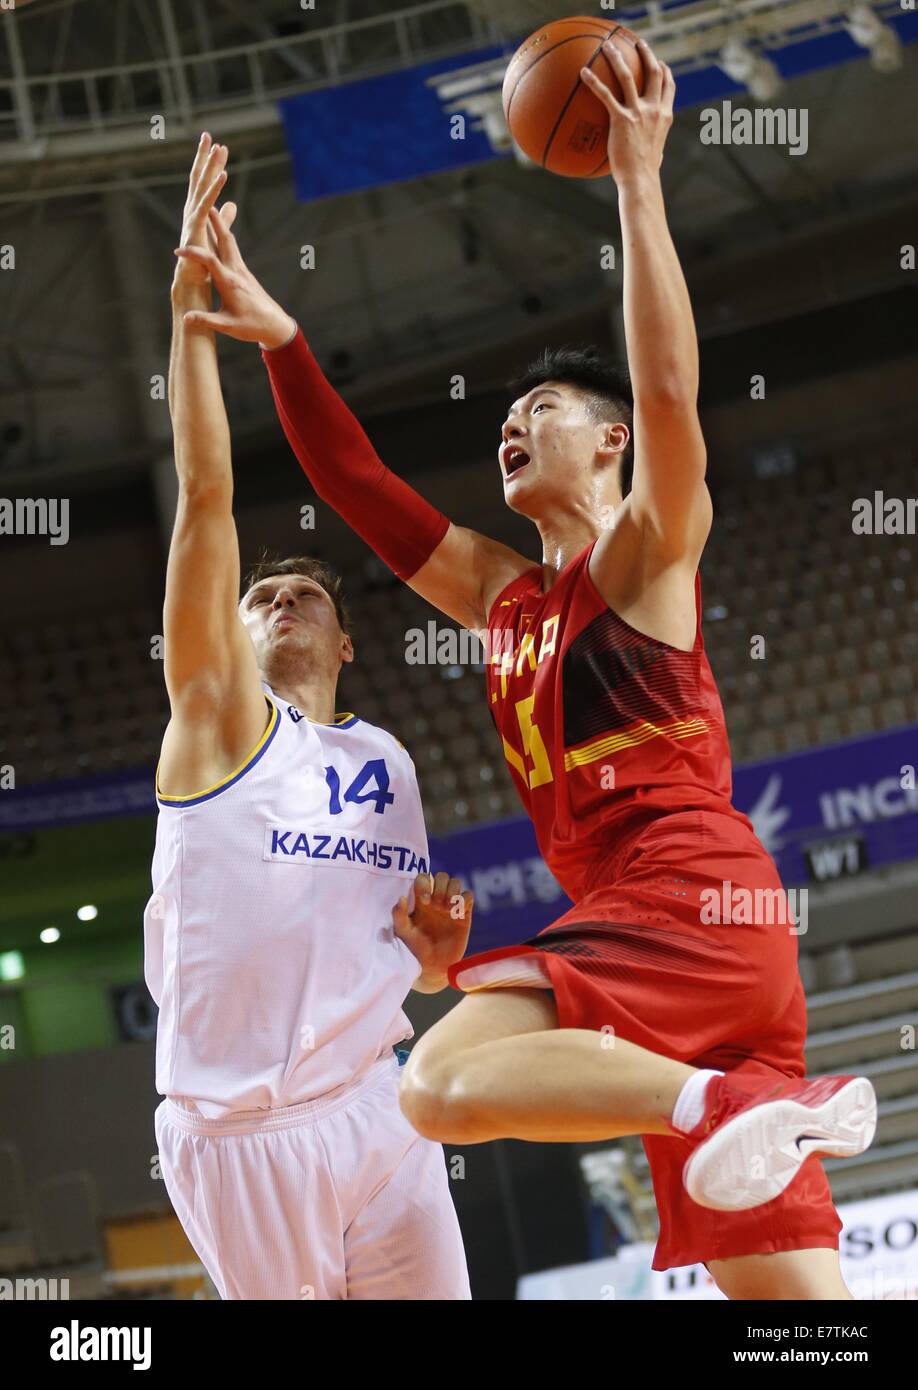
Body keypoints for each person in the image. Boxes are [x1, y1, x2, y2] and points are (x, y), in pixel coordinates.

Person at [174, 42, 875, 1301]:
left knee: (438, 1085)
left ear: (610, 444)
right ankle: (739, 1104)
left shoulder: (648, 553)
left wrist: (638, 184)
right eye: (506, 416)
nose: (513, 421)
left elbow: (667, 386)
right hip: (697, 941)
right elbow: (359, 489)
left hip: (682, 895)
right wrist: (282, 341)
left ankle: (726, 1099)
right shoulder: (504, 597)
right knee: (799, 1317)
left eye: (542, 408)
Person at [147, 133, 471, 1300]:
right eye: (261, 597)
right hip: (243, 1134)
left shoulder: (384, 758)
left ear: (346, 643)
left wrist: (433, 958)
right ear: (227, 639)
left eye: (308, 596)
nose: (281, 601)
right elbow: (206, 497)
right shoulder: (218, 725)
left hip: (380, 1102)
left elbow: (392, 954)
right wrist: (192, 318)